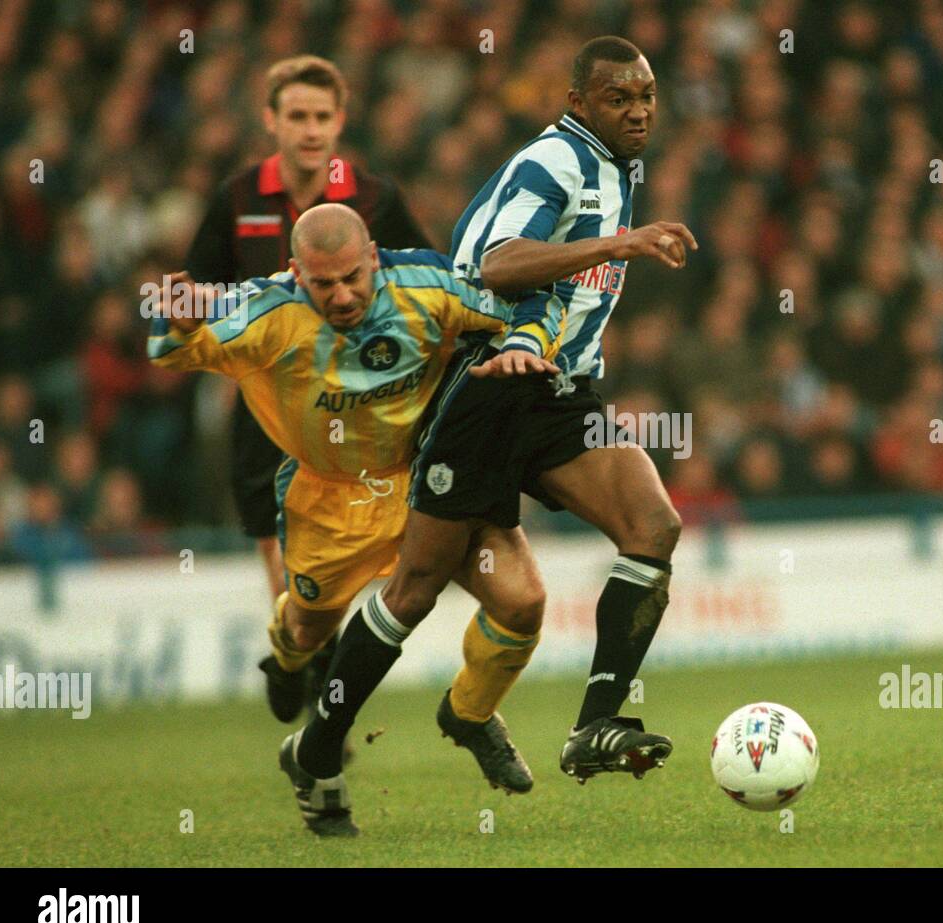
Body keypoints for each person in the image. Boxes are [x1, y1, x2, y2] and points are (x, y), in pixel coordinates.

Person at [292, 36, 698, 790]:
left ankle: (594, 727)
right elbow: (494, 263)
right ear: (579, 102)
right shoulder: (558, 161)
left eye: (646, 96)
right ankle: (321, 739)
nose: (638, 110)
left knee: (654, 527)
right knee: (416, 587)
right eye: (620, 98)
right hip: (487, 385)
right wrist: (625, 242)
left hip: (556, 389)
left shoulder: (611, 166)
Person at [151, 205, 563, 836]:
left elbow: (532, 303)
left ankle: (470, 713)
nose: (342, 295)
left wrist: (523, 345)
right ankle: (289, 657)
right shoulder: (266, 312)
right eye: (323, 284)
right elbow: (171, 346)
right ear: (296, 274)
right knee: (310, 626)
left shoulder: (426, 285)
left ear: (374, 257)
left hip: (431, 479)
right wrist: (174, 317)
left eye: (352, 277)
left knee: (523, 603)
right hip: (327, 503)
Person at [183, 55, 432, 723]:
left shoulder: (376, 200)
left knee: (345, 535)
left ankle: (308, 658)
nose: (311, 129)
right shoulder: (237, 199)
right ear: (271, 120)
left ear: (341, 122)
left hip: (359, 406)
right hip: (266, 400)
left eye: (323, 116)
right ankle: (302, 652)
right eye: (297, 116)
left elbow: (424, 275)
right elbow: (192, 289)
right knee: (273, 533)